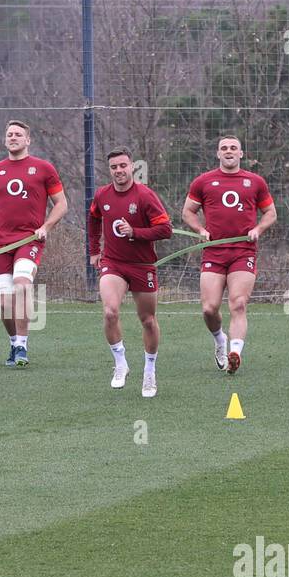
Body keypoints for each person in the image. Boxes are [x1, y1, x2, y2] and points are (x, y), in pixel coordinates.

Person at [0, 120, 67, 367]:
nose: (13, 137)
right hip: (0, 243)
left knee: (23, 285)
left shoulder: (43, 168)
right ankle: (14, 342)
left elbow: (61, 204)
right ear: (5, 140)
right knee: (5, 302)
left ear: (28, 140)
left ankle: (23, 347)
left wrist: (45, 227)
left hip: (29, 239)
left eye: (18, 134)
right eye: (9, 134)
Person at [182, 135, 276, 373]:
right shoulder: (204, 181)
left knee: (239, 303)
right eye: (224, 148)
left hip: (243, 252)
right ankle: (220, 341)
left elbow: (270, 213)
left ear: (241, 154)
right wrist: (200, 230)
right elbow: (187, 213)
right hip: (213, 253)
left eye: (234, 148)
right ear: (218, 154)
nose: (229, 151)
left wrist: (258, 229)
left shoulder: (255, 182)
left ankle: (235, 352)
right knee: (209, 309)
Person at [87, 148, 172, 397]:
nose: (119, 171)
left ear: (132, 166)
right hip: (113, 263)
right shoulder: (102, 195)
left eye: (123, 165)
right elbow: (93, 219)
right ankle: (120, 363)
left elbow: (166, 229)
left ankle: (149, 371)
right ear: (109, 169)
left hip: (142, 265)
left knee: (147, 320)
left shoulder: (145, 196)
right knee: (110, 311)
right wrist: (94, 250)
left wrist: (135, 232)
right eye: (114, 167)